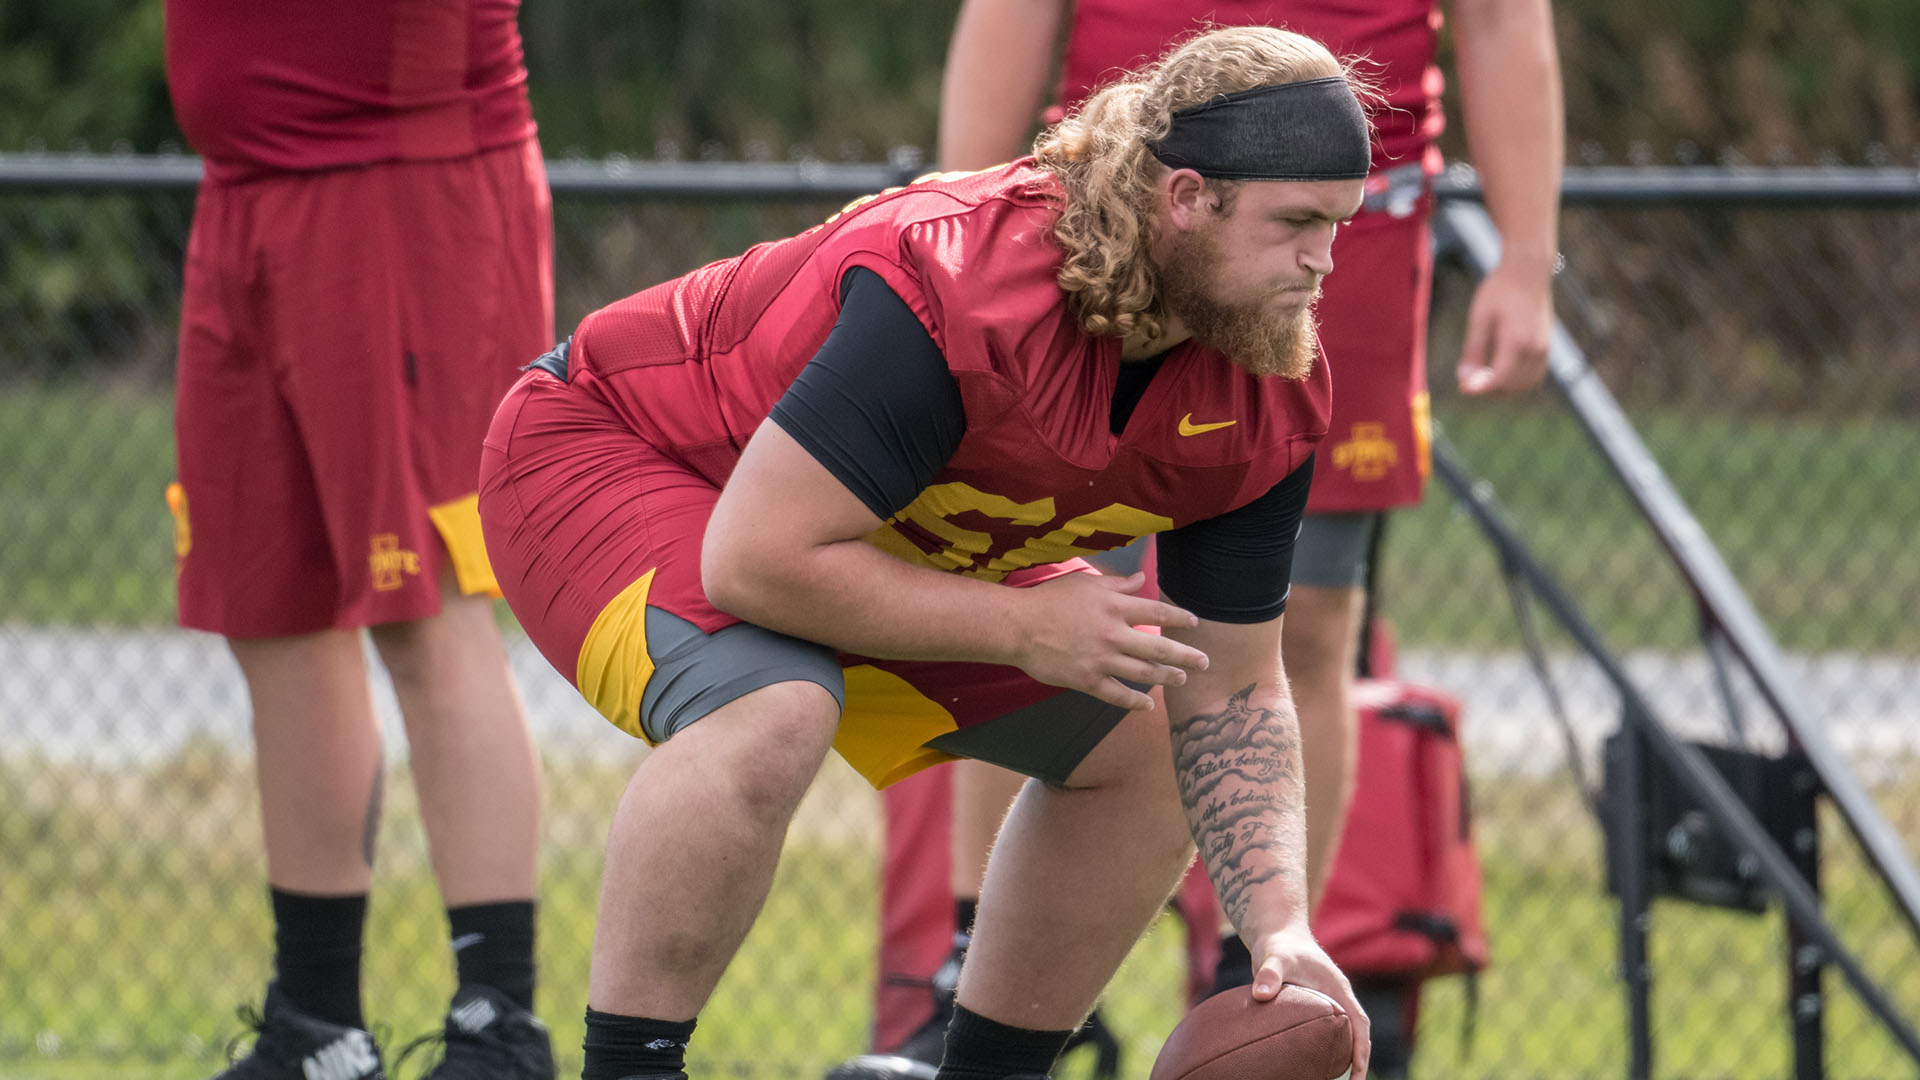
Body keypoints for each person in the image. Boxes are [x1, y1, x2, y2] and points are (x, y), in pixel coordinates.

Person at [477, 25, 1375, 1080]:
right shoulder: (963, 284)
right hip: (616, 452)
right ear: (1185, 197)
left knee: (1147, 726)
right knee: (773, 704)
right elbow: (756, 563)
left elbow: (1231, 689)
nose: (1322, 261)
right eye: (1297, 223)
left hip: (852, 533)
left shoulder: (1265, 382)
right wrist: (1022, 625)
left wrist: (1279, 926)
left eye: (1338, 226)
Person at [854, 2, 1561, 1076]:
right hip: (1122, 193)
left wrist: (1528, 256)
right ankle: (969, 968)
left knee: (1307, 622)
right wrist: (962, 230)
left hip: (1342, 207)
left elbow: (1505, 24)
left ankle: (1261, 976)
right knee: (1023, 580)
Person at [163, 1, 556, 1077]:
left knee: (425, 613)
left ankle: (498, 1027)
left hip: (400, 176)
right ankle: (318, 1027)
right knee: (274, 614)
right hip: (243, 181)